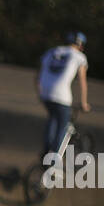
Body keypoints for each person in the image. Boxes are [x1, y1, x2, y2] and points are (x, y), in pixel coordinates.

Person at [36, 31, 90, 159]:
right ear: (81, 46)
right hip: (62, 96)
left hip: (45, 93)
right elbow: (82, 82)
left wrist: (41, 93)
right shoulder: (79, 57)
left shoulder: (52, 51)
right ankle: (54, 159)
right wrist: (83, 102)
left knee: (53, 118)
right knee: (63, 126)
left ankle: (46, 150)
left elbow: (38, 76)